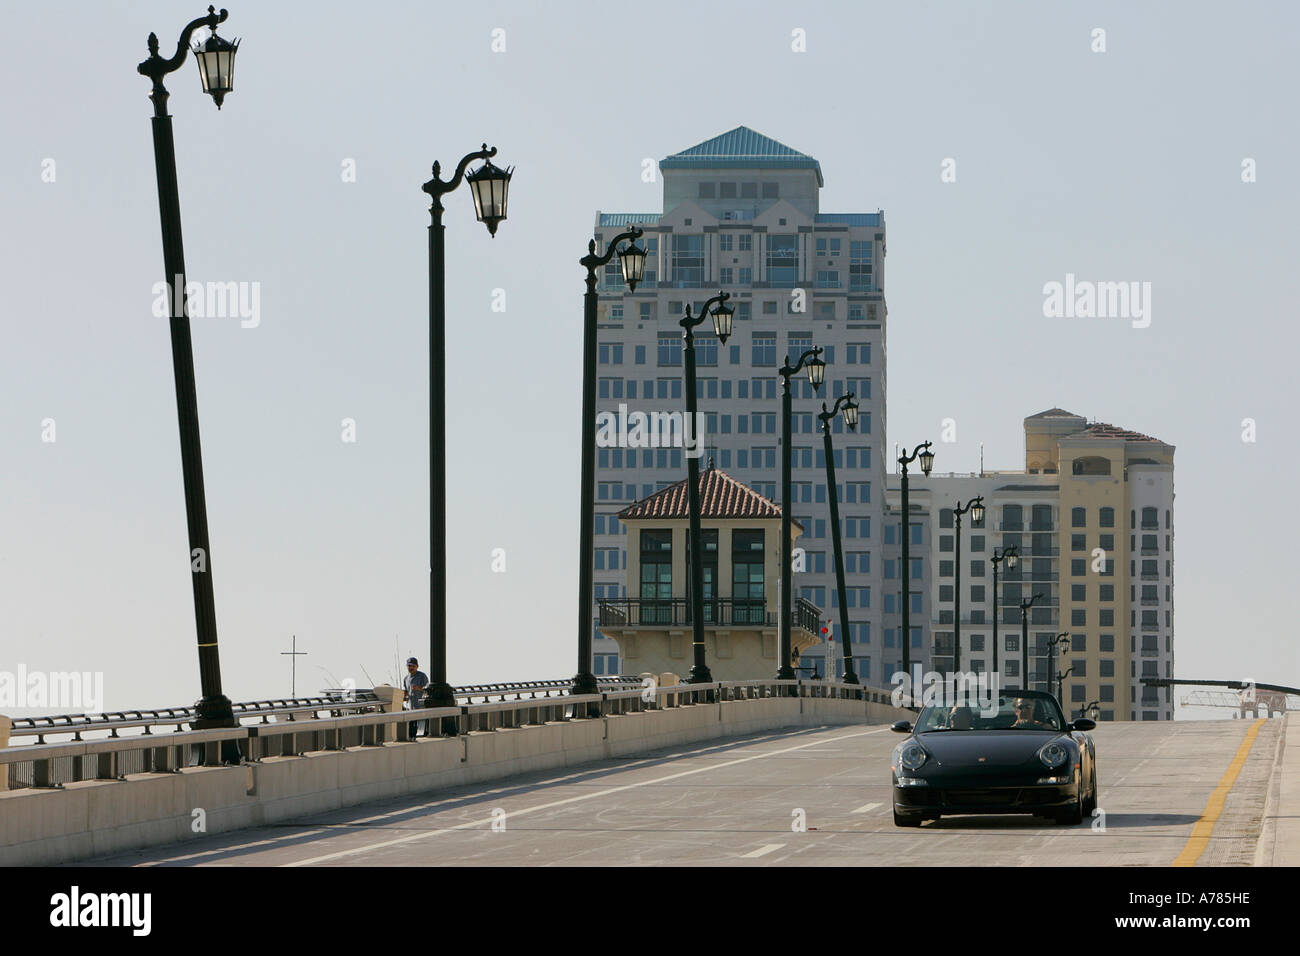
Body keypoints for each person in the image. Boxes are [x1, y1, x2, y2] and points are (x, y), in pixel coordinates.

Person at [404, 657, 429, 738]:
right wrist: (405, 696)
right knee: (412, 725)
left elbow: (428, 690)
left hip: (421, 706)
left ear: (417, 666)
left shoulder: (422, 676)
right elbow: (406, 691)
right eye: (409, 666)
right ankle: (412, 737)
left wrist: (419, 688)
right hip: (411, 706)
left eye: (413, 666)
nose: (410, 668)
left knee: (422, 725)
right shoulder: (406, 678)